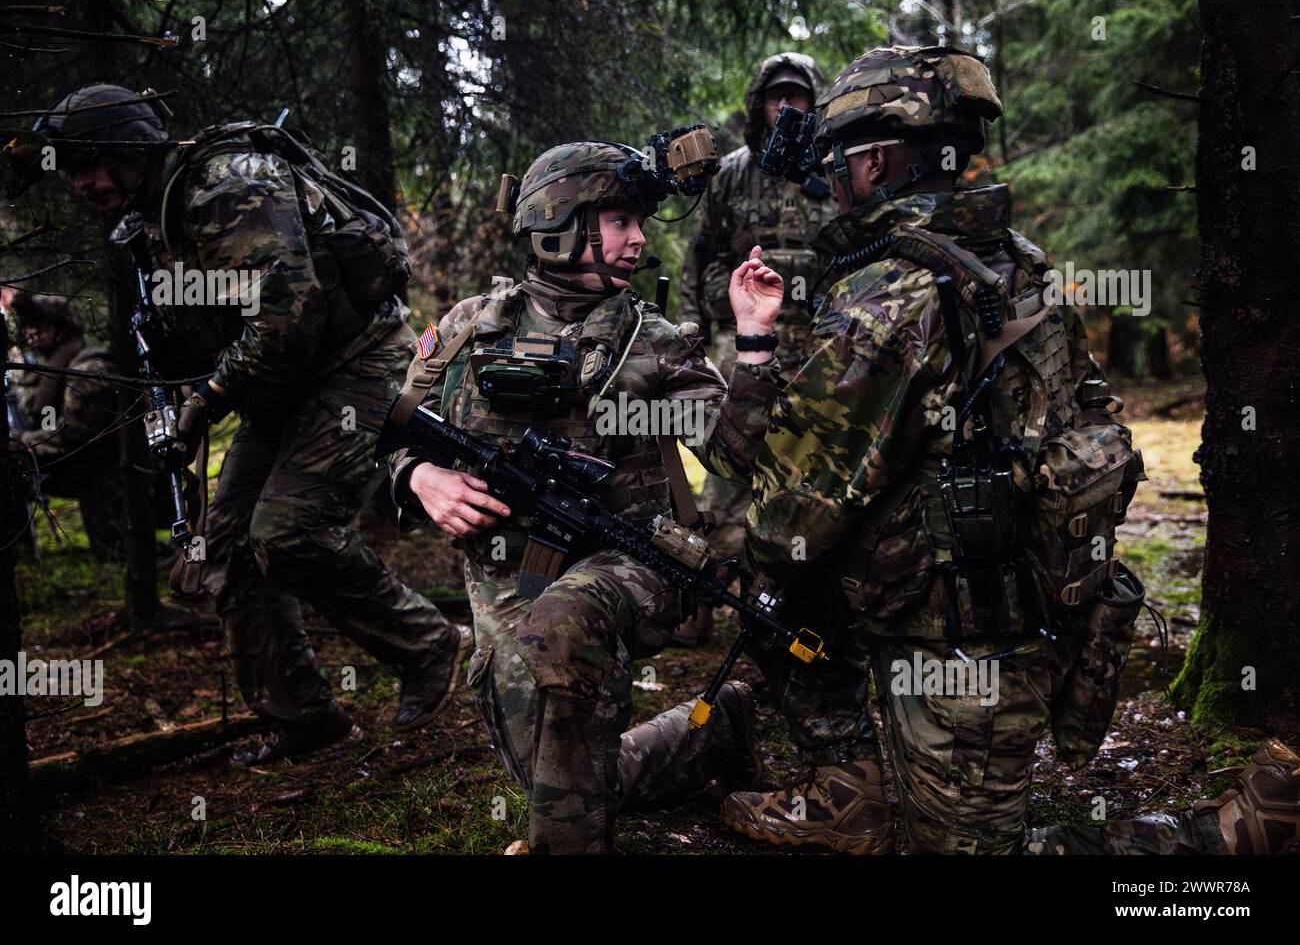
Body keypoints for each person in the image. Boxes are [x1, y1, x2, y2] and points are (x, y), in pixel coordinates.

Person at [723, 44, 1300, 855]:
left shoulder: (891, 296)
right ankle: (848, 787)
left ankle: (1228, 838)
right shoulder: (1013, 263)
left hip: (958, 654)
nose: (829, 181)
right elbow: (1093, 415)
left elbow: (787, 522)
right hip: (1022, 620)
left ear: (878, 159)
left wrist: (753, 377)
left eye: (836, 162)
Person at [32, 84, 469, 764]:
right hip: (280, 384)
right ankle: (304, 715)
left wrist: (205, 399)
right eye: (73, 167)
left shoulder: (224, 187)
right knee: (223, 552)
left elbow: (288, 317)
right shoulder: (154, 214)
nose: (82, 182)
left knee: (288, 533)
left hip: (352, 363)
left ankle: (428, 642)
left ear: (129, 146)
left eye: (90, 162)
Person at [389, 140, 785, 853]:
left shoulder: (655, 340)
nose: (638, 237)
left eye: (639, 222)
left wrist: (753, 342)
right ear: (559, 221)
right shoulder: (470, 328)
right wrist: (418, 478)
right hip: (508, 575)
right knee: (563, 772)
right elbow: (381, 431)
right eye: (619, 220)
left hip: (631, 562)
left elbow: (737, 454)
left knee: (563, 630)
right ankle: (715, 726)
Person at [674, 52, 836, 645]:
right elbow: (699, 261)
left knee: (809, 479)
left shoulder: (833, 172)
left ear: (814, 104)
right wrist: (693, 336)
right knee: (725, 478)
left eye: (798, 96)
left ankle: (786, 614)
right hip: (742, 346)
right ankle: (701, 603)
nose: (787, 106)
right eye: (777, 97)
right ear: (759, 103)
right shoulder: (731, 174)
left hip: (817, 351)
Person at [3, 288, 123, 557]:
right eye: (28, 327)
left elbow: (73, 435)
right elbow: (34, 412)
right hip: (86, 468)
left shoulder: (87, 369)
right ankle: (21, 552)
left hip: (117, 474)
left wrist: (21, 444)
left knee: (117, 552)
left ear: (61, 328)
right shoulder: (49, 371)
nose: (31, 333)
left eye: (40, 325)